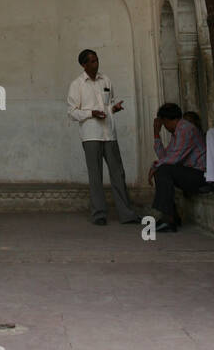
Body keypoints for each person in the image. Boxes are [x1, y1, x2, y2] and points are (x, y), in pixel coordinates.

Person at [68, 49, 140, 226]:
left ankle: (126, 214)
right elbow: (71, 112)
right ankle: (99, 214)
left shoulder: (105, 80)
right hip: (91, 135)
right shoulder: (77, 85)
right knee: (96, 176)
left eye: (96, 60)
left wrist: (114, 109)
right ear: (83, 65)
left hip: (109, 133)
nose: (95, 64)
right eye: (91, 61)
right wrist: (91, 113)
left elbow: (110, 103)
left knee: (118, 173)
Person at [147, 101, 206, 233]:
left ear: (166, 120)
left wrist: (156, 167)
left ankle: (169, 219)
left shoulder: (185, 129)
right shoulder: (178, 132)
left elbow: (173, 159)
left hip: (200, 175)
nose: (164, 127)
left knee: (163, 170)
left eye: (163, 123)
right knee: (162, 169)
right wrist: (156, 134)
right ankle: (171, 216)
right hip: (190, 173)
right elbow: (165, 157)